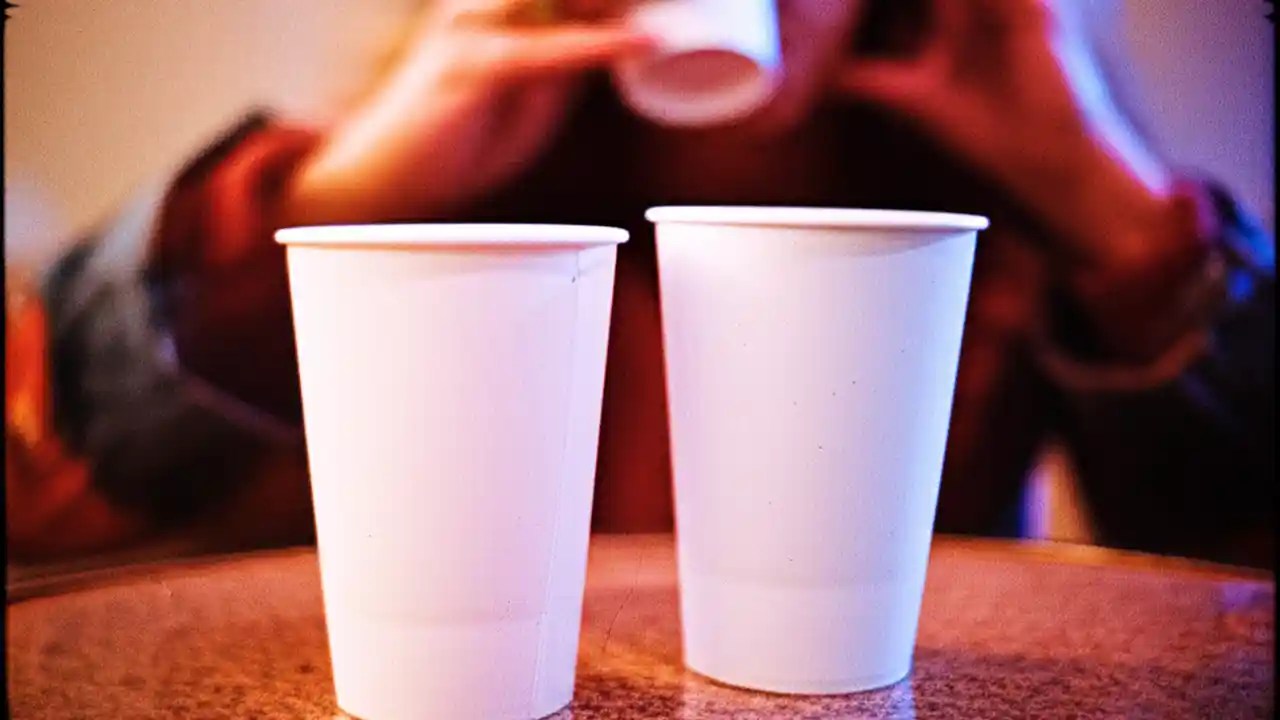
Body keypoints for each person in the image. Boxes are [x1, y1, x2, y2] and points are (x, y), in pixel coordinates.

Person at [7, 0, 1273, 567]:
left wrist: (1107, 198)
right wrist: (325, 200)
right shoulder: (415, 189)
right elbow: (34, 494)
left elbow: (1238, 602)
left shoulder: (999, 229)